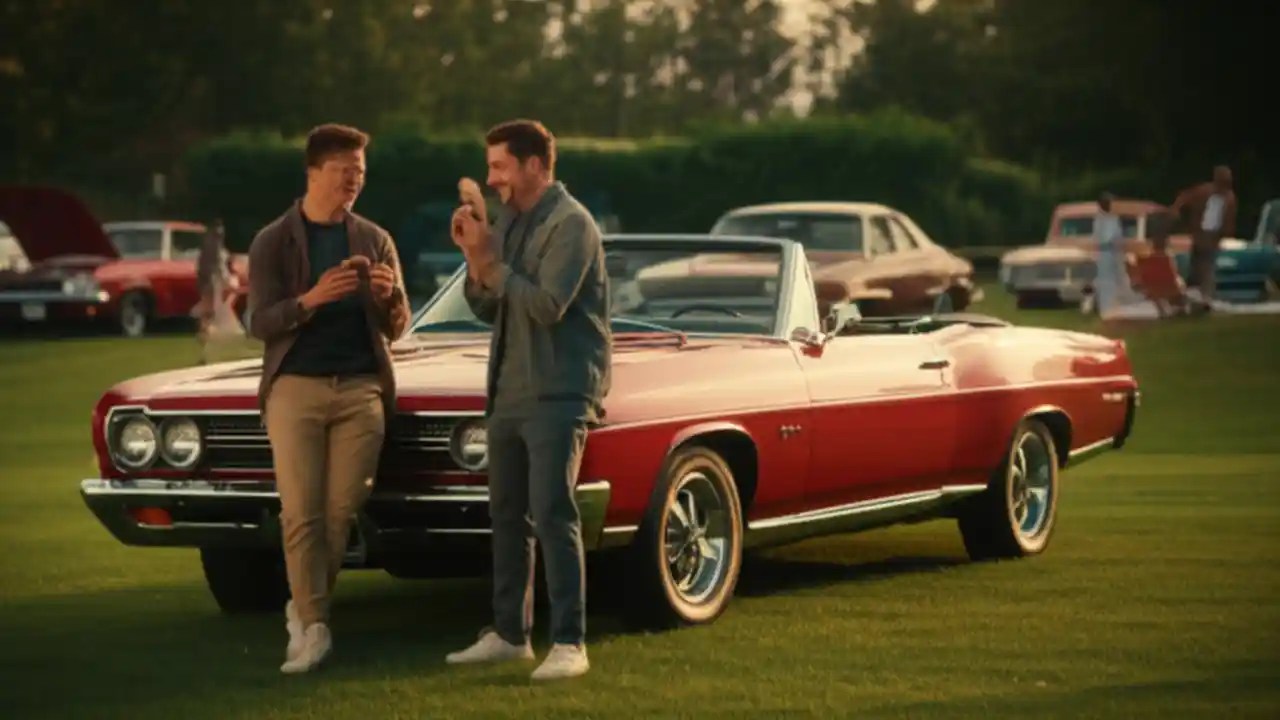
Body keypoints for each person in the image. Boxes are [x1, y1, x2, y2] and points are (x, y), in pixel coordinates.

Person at [444, 119, 611, 681]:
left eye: (500, 167)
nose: (493, 180)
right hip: (508, 391)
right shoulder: (512, 222)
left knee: (552, 512)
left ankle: (570, 642)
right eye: (489, 167)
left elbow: (546, 307)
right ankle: (510, 635)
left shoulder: (573, 225)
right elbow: (488, 309)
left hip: (560, 391)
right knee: (506, 517)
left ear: (536, 165)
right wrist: (476, 260)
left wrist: (493, 262)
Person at [246, 123, 411, 674]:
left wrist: (388, 300)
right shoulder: (273, 240)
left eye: (360, 173)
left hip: (362, 386)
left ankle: (304, 603)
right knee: (300, 511)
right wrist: (309, 300)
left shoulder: (374, 238)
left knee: (341, 510)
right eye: (345, 171)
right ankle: (315, 630)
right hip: (295, 385)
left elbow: (398, 327)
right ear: (314, 172)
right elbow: (259, 320)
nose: (354, 182)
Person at [1171, 165, 1238, 311]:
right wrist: (1176, 209)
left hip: (1213, 237)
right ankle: (1195, 296)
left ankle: (1205, 297)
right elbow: (1184, 197)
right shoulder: (1204, 191)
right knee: (1198, 266)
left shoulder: (1229, 198)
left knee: (1207, 267)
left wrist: (1224, 236)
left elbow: (1229, 220)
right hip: (1201, 234)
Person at [1089, 192, 1133, 318]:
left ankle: (1121, 308)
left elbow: (1118, 236)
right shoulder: (1100, 219)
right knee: (1107, 282)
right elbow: (1104, 238)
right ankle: (1107, 310)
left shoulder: (1114, 218)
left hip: (1116, 253)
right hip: (1105, 253)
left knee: (1121, 279)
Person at [194, 219, 232, 363]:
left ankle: (206, 350)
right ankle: (206, 350)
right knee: (211, 317)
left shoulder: (208, 249)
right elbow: (218, 269)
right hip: (213, 285)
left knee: (210, 317)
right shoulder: (213, 249)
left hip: (212, 285)